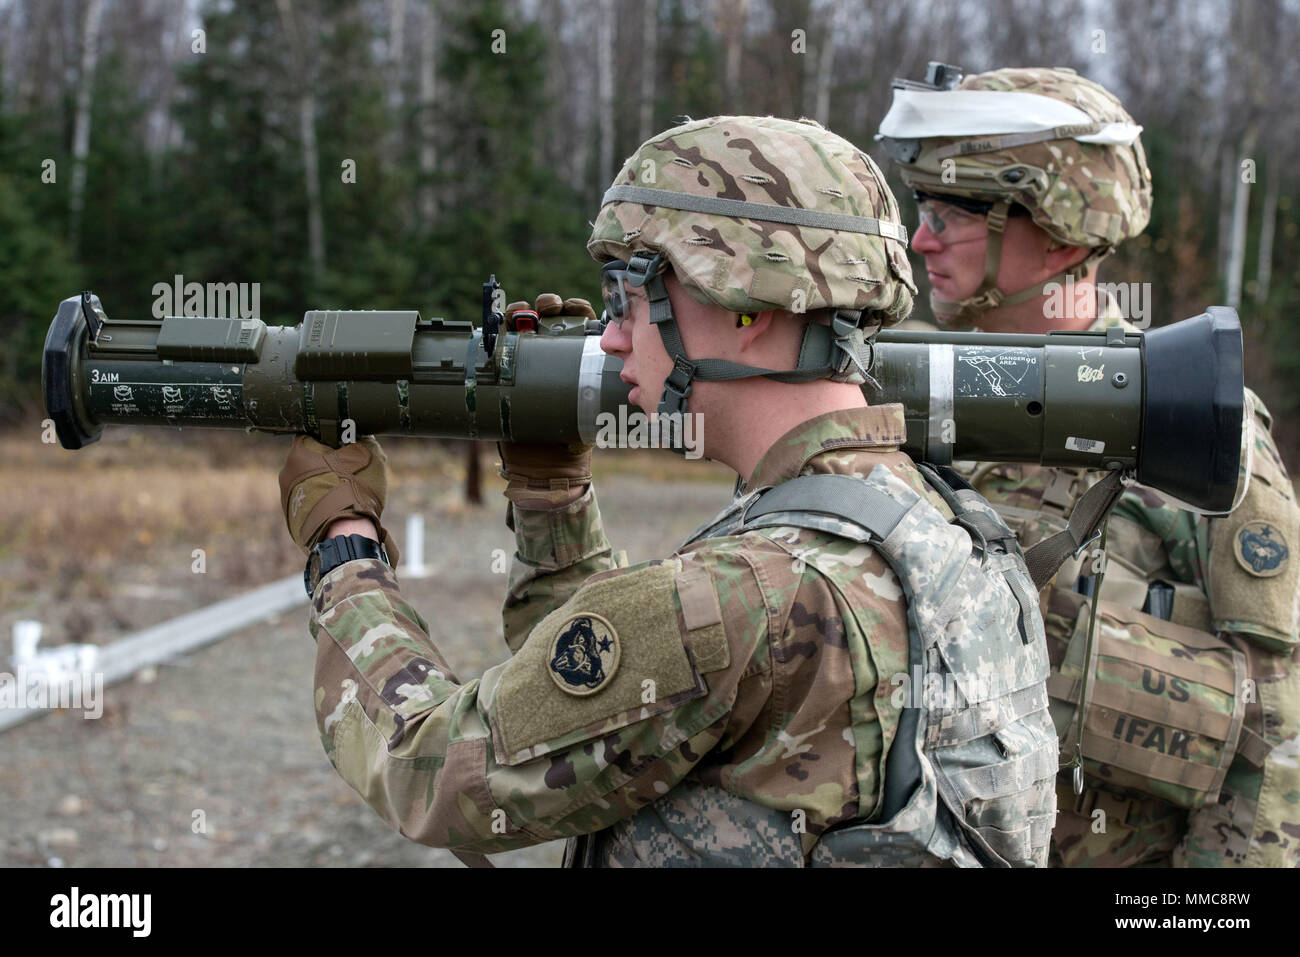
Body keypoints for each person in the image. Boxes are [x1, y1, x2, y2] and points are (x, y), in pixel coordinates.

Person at [277, 115, 1059, 867]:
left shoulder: (752, 591)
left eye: (628, 293)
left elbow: (437, 772)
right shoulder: (947, 529)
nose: (612, 335)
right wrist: (554, 499)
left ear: (746, 305)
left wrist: (344, 549)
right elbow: (618, 718)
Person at [878, 64, 1300, 867]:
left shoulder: (1185, 421)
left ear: (1063, 231)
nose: (920, 238)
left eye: (950, 212)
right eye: (918, 209)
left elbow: (1278, 737)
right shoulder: (907, 402)